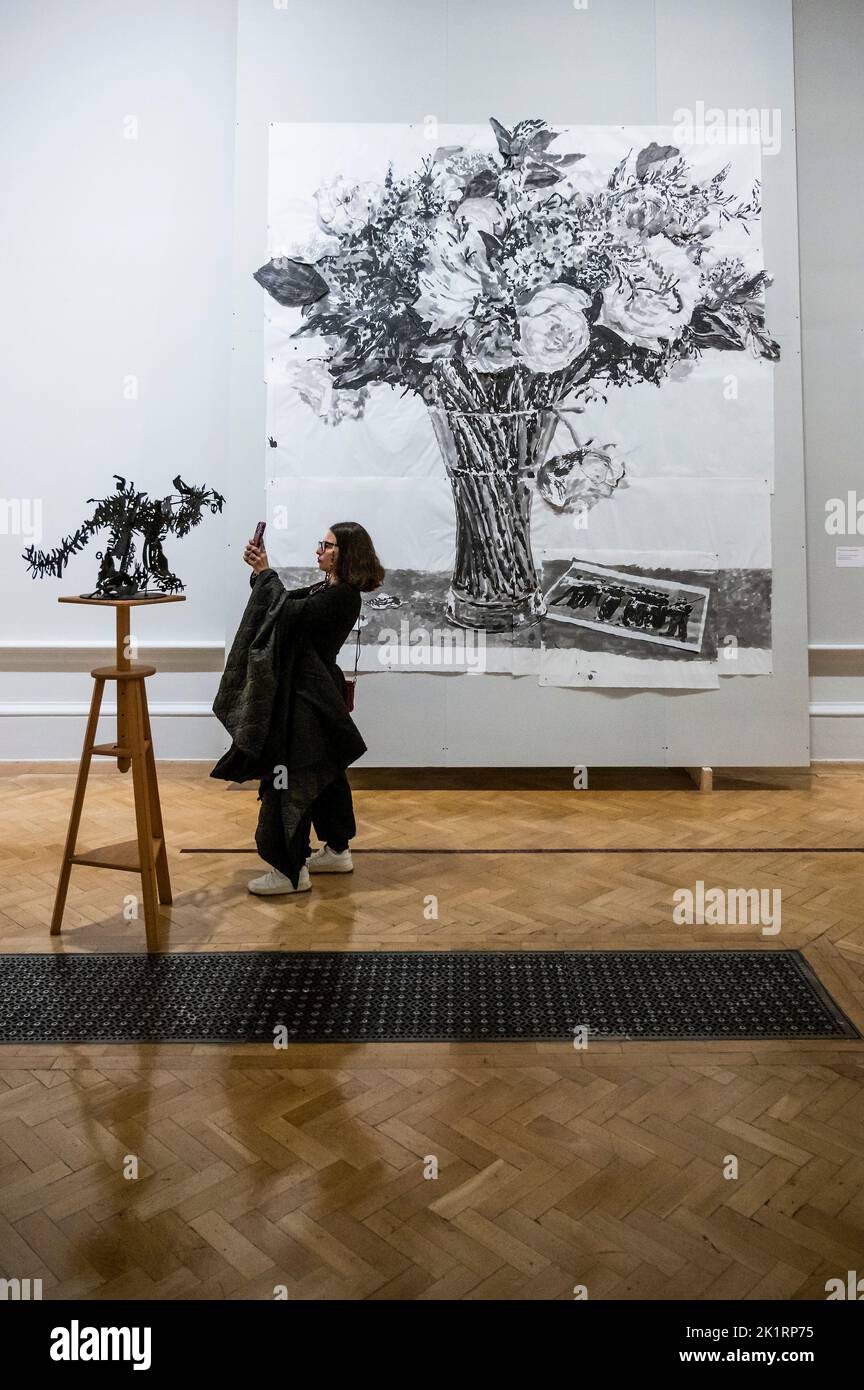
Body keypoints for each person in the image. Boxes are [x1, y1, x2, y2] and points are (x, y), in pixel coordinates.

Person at [214, 522, 384, 897]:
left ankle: (290, 870)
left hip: (310, 699)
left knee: (288, 778)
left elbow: (288, 616)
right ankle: (337, 851)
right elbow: (286, 604)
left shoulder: (343, 597)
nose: (318, 550)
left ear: (346, 553)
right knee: (324, 773)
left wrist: (264, 573)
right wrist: (262, 574)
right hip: (314, 694)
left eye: (326, 544)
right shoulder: (329, 588)